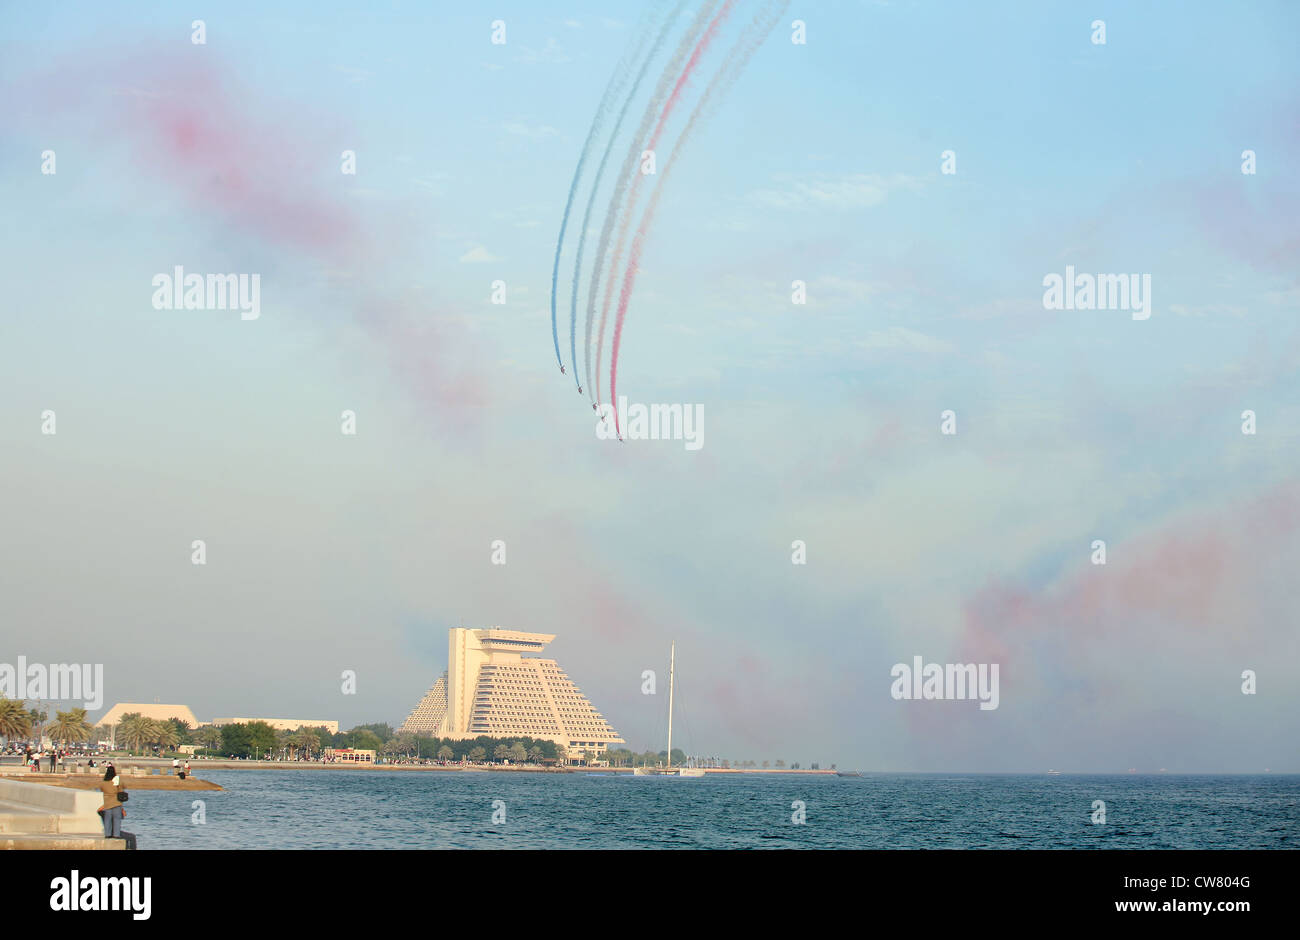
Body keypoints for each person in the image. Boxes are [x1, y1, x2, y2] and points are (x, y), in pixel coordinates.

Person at [98, 767, 127, 839]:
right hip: (117, 802)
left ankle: (107, 834)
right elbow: (123, 787)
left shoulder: (103, 782)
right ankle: (116, 835)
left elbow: (101, 789)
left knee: (107, 819)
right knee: (117, 819)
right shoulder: (116, 781)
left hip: (107, 803)